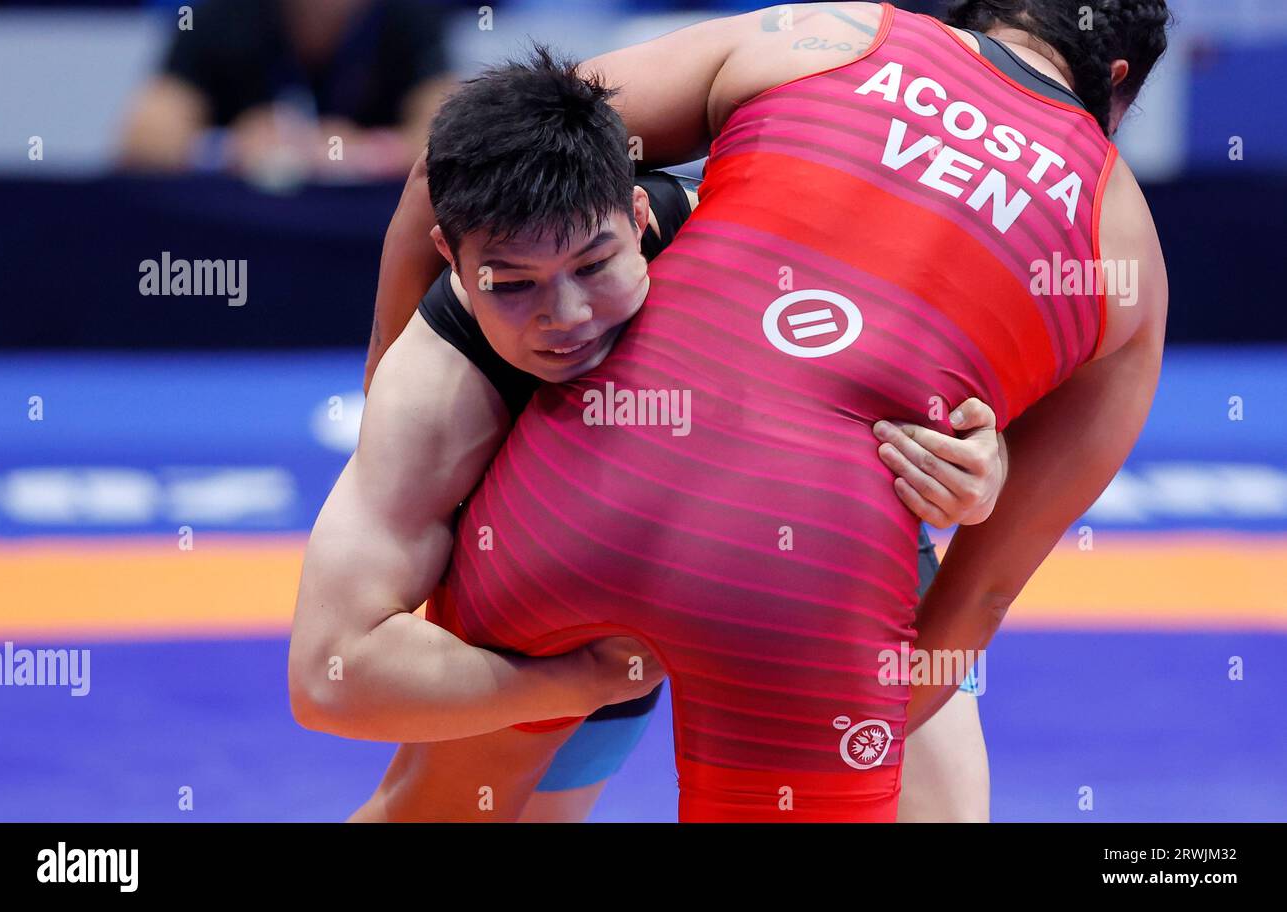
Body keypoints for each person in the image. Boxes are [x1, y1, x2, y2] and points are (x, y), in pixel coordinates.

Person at [339, 0, 1170, 822]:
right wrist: (849, 729)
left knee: (439, 810)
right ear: (1118, 83)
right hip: (817, 567)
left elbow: (450, 167)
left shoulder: (828, 35)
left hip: (573, 494)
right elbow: (979, 597)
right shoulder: (1126, 238)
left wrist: (398, 409)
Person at [119, 0, 451, 180]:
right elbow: (143, 139)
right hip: (241, 233)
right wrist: (226, 148)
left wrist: (365, 152)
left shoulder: (409, 16)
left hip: (366, 238)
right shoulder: (220, 15)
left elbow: (449, 142)